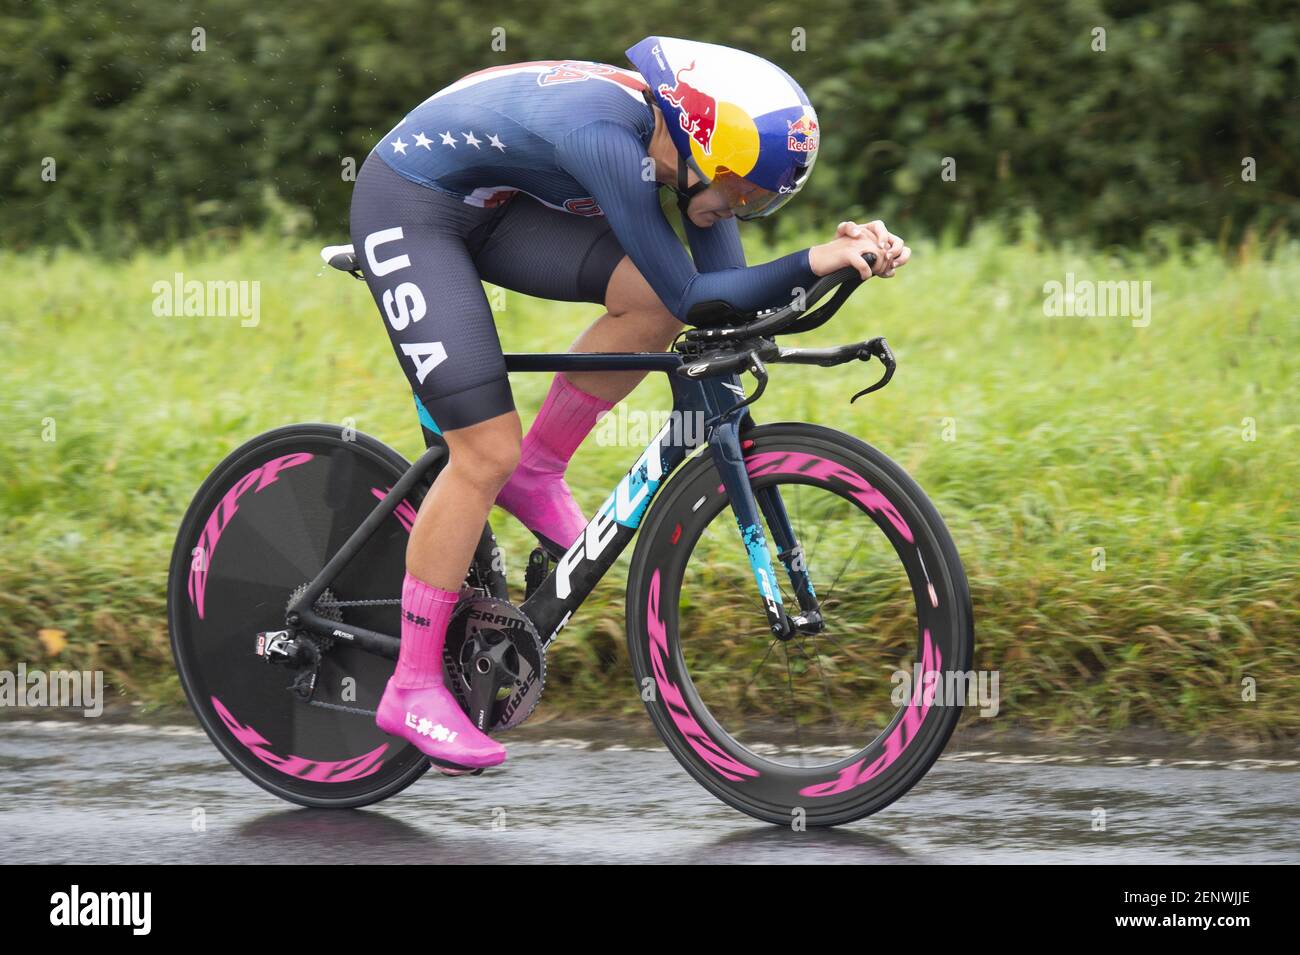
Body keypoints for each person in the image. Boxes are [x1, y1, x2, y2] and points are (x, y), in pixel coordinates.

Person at [349, 36, 911, 771]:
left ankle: (538, 470)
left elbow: (721, 310)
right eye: (742, 192)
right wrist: (813, 259)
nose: (739, 209)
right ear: (705, 144)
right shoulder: (606, 139)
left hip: (496, 206)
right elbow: (697, 292)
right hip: (412, 205)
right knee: (483, 450)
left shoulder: (689, 151)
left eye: (758, 201)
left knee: (652, 306)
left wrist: (847, 261)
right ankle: (412, 685)